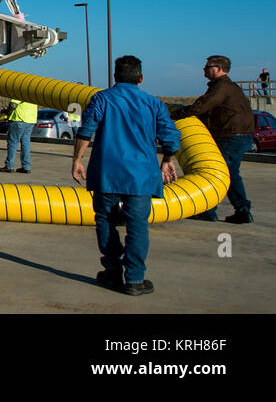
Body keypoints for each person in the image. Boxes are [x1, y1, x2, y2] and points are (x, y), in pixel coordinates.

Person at [72, 55, 180, 296]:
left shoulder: (102, 98)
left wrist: (77, 161)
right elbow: (171, 137)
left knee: (105, 221)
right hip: (141, 175)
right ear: (141, 78)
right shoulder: (153, 104)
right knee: (137, 225)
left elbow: (86, 131)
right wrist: (167, 160)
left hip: (106, 173)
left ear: (114, 77)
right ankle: (134, 279)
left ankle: (111, 271)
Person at [172, 55, 254, 224]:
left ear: (218, 68)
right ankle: (241, 209)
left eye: (207, 67)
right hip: (239, 135)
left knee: (215, 173)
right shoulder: (229, 87)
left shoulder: (222, 87)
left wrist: (175, 115)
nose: (204, 70)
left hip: (231, 136)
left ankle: (212, 210)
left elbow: (202, 106)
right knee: (229, 173)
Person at [0, 98, 38, 173]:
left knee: (13, 143)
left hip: (19, 119)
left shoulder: (19, 90)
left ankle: (9, 166)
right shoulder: (33, 91)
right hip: (31, 120)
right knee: (26, 143)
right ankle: (26, 166)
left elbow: (13, 105)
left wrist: (7, 112)